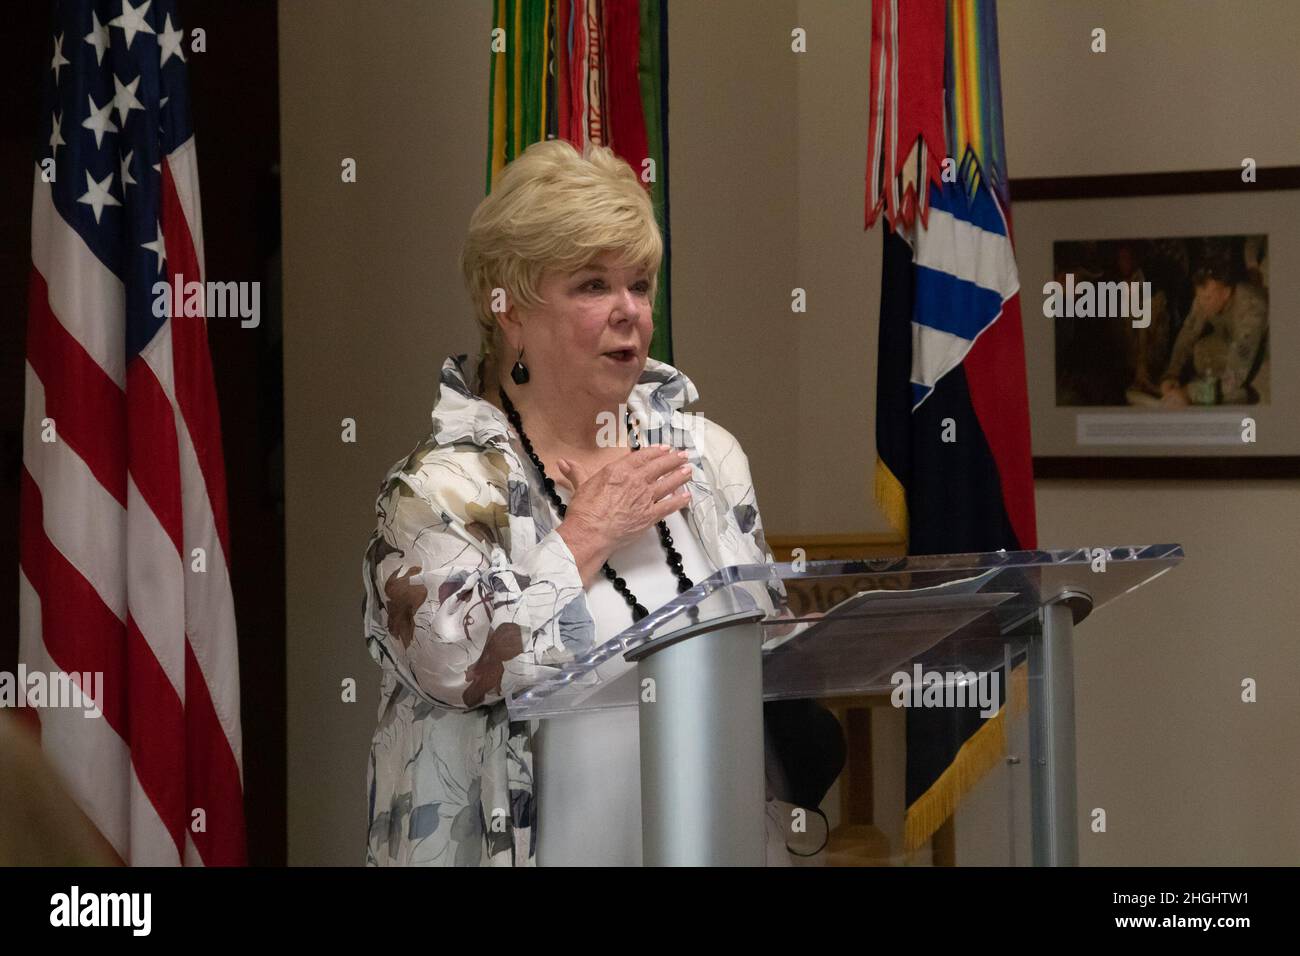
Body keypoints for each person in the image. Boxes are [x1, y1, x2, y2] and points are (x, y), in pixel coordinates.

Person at [361, 139, 794, 866]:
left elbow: (766, 653)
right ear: (510, 311)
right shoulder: (437, 491)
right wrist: (587, 532)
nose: (630, 312)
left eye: (641, 284)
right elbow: (459, 665)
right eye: (593, 286)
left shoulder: (708, 457)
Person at [1160, 255, 1268, 407]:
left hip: (1264, 358)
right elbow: (1188, 333)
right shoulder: (1205, 297)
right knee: (1202, 349)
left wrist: (1190, 393)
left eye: (1207, 298)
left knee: (1242, 391)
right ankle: (1213, 390)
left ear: (1226, 293)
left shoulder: (1252, 308)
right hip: (1233, 344)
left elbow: (1236, 373)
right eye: (1199, 296)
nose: (1201, 303)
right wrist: (1171, 374)